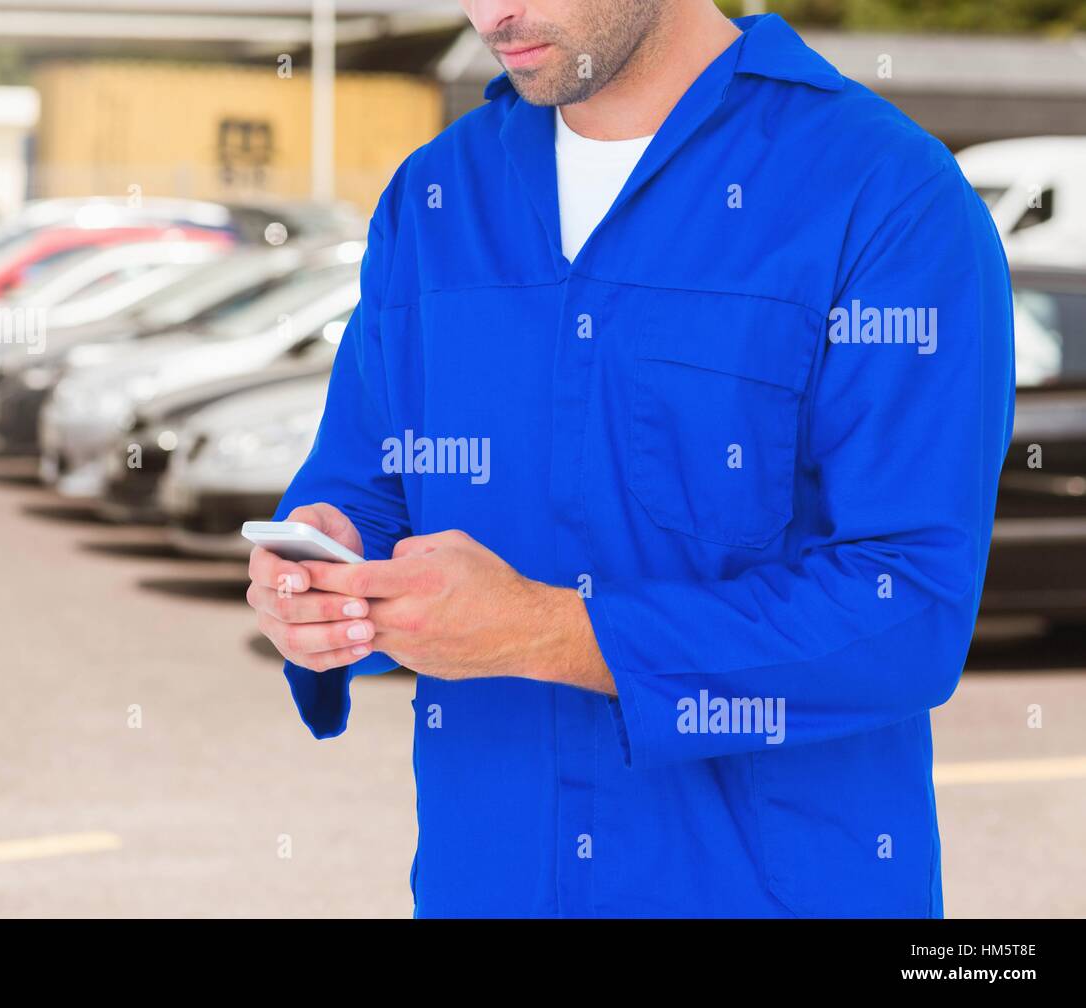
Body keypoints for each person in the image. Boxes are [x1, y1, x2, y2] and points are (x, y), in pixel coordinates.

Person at [246, 1, 1015, 917]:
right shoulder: (434, 198)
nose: (493, 12)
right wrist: (324, 571)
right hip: (485, 884)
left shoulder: (885, 195)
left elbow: (908, 608)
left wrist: (554, 632)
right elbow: (362, 485)